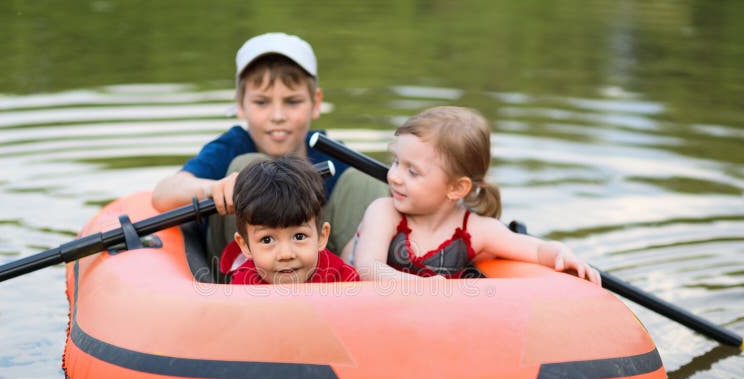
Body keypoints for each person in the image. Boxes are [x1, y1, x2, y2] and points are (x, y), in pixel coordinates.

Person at [151, 32, 387, 269]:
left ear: (315, 103)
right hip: (242, 278)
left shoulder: (328, 152)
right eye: (261, 102)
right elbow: (163, 194)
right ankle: (252, 281)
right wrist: (212, 188)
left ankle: (357, 284)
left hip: (322, 271)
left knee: (365, 179)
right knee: (252, 167)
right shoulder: (233, 146)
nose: (277, 117)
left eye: (292, 102)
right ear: (240, 104)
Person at [354, 106, 601, 285]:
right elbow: (367, 267)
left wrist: (561, 253)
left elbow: (535, 250)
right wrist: (424, 287)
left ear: (456, 188)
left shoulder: (476, 230)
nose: (394, 176)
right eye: (396, 162)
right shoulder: (384, 211)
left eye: (412, 171)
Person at [221, 156, 359, 285]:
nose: (285, 254)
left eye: (299, 236)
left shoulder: (341, 279)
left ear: (322, 237)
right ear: (245, 245)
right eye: (267, 239)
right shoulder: (243, 287)